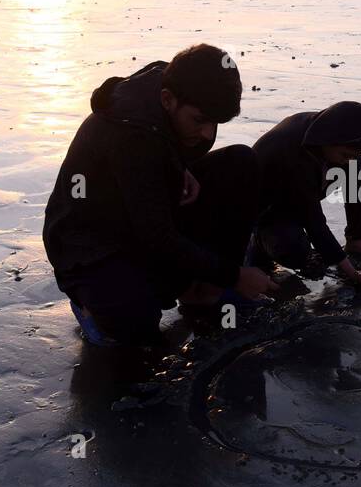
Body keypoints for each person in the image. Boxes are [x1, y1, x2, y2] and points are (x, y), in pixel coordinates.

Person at [42, 46, 273, 346]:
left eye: (216, 123)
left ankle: (204, 289)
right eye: (200, 120)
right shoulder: (132, 139)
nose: (207, 134)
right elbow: (156, 236)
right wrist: (235, 275)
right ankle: (90, 305)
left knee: (240, 162)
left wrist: (179, 166)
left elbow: (160, 154)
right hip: (88, 241)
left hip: (143, 205)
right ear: (167, 99)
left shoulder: (174, 80)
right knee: (135, 328)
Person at [249, 103, 361, 290]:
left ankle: (357, 240)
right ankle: (259, 243)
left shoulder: (324, 129)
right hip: (266, 211)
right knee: (297, 252)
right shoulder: (292, 155)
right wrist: (354, 274)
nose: (347, 160)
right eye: (344, 154)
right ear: (328, 140)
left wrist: (350, 159)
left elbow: (348, 158)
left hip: (300, 194)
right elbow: (315, 222)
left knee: (355, 166)